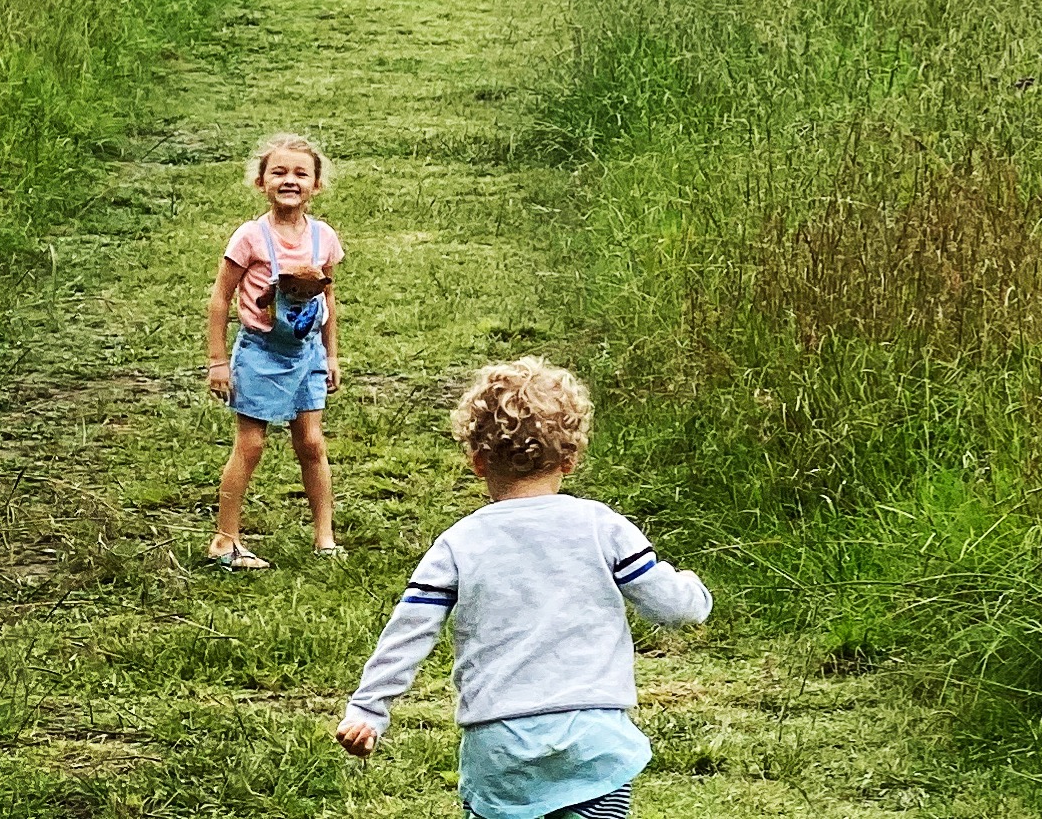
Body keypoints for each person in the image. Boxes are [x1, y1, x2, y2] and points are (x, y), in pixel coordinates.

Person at [334, 357, 712, 819]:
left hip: (500, 744)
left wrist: (368, 710)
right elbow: (673, 607)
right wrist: (694, 592)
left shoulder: (458, 543)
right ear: (570, 459)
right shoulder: (602, 526)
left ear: (477, 461)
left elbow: (409, 630)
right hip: (591, 737)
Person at [203, 131, 345, 568]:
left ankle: (325, 538)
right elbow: (220, 298)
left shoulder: (323, 238)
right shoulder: (249, 237)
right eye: (279, 172)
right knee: (250, 444)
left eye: (301, 174)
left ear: (316, 185)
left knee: (312, 443)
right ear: (261, 182)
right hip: (261, 353)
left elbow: (327, 299)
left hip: (307, 354)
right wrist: (217, 361)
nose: (290, 181)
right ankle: (225, 541)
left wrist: (331, 354)